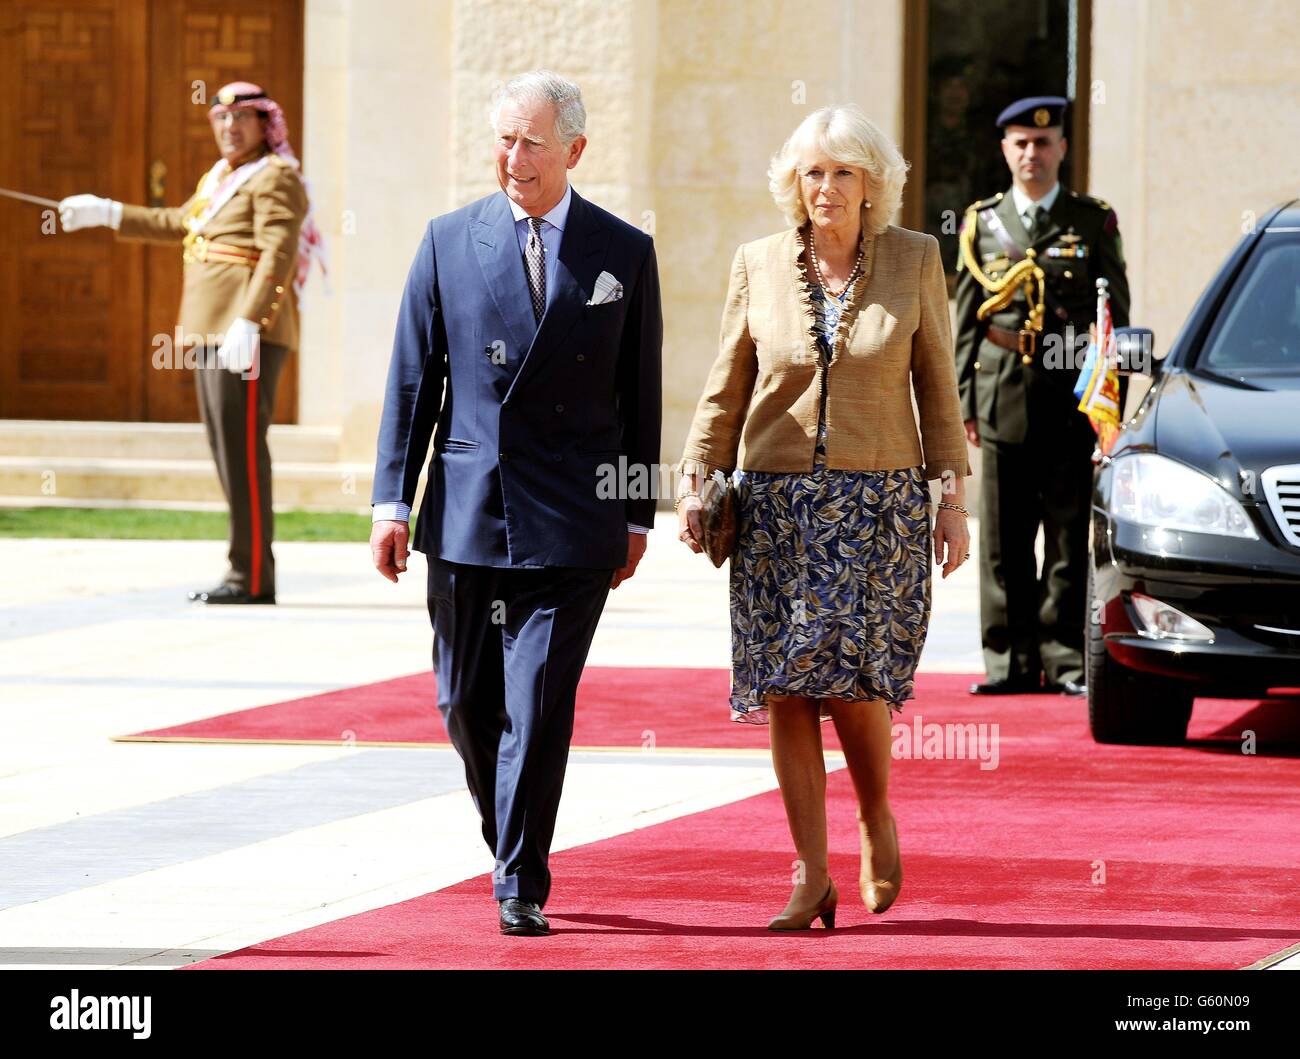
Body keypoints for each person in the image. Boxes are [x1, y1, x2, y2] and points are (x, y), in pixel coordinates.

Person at [369, 70, 661, 938]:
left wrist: (635, 511)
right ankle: (510, 834)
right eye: (503, 138)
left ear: (575, 149)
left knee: (536, 704)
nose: (514, 156)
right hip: (469, 511)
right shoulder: (446, 241)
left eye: (532, 141)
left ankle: (519, 880)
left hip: (574, 521)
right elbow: (414, 381)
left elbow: (639, 394)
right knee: (464, 702)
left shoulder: (623, 250)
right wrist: (391, 502)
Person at [677, 105, 971, 930]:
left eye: (844, 172)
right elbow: (727, 384)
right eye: (813, 172)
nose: (827, 187)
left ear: (872, 183)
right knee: (785, 689)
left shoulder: (916, 258)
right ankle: (810, 874)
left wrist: (952, 501)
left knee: (853, 677)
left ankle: (875, 813)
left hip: (876, 507)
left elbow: (938, 388)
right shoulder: (758, 262)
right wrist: (696, 482)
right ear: (793, 183)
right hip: (775, 509)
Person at [58, 81, 326, 604]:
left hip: (244, 332)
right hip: (213, 329)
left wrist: (250, 322)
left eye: (242, 118)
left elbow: (278, 252)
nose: (230, 127)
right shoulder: (223, 178)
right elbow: (180, 223)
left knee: (243, 455)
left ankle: (250, 578)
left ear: (265, 124)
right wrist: (107, 212)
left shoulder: (275, 175)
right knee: (228, 452)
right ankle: (244, 571)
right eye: (220, 119)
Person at [953, 96, 1130, 696]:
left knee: (1067, 537)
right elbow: (966, 322)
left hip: (1071, 397)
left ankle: (1065, 660)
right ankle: (1008, 662)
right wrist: (964, 402)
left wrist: (1110, 407)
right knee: (1002, 539)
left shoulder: (1092, 220)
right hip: (1000, 391)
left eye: (1044, 143)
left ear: (1062, 149)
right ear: (1006, 150)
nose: (1033, 152)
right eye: (1022, 143)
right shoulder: (983, 222)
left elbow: (1114, 320)